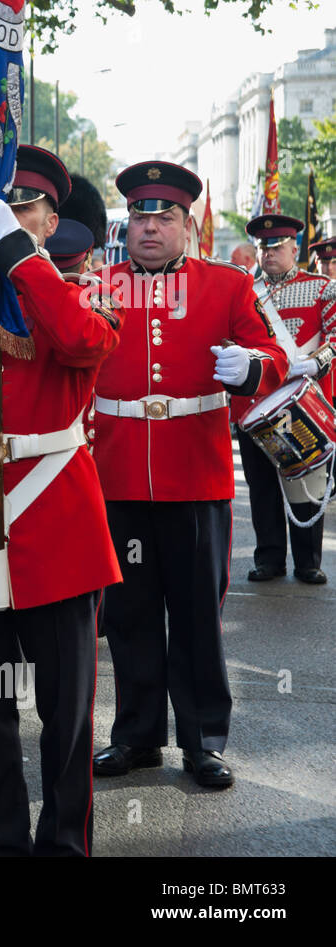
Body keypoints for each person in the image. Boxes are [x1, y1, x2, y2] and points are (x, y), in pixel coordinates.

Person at [91, 162, 287, 790]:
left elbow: (279, 354)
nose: (150, 227)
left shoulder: (227, 286)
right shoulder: (99, 285)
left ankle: (203, 739)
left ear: (187, 225)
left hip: (196, 477)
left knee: (198, 612)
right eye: (140, 217)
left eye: (163, 217)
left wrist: (251, 366)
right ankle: (137, 736)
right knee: (129, 613)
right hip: (117, 474)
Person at [0, 146, 123, 857]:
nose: (1, 217)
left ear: (50, 221)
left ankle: (63, 844)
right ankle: (1, 841)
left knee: (65, 712)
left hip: (55, 521)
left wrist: (19, 255)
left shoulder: (80, 292)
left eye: (22, 206)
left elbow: (82, 343)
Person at [230, 214, 336, 584]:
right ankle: (269, 557)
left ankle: (308, 560)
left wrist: (315, 363)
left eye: (276, 247)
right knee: (261, 486)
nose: (268, 253)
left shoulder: (323, 288)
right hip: (257, 403)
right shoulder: (244, 290)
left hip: (303, 402)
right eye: (262, 247)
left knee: (305, 479)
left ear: (295, 248)